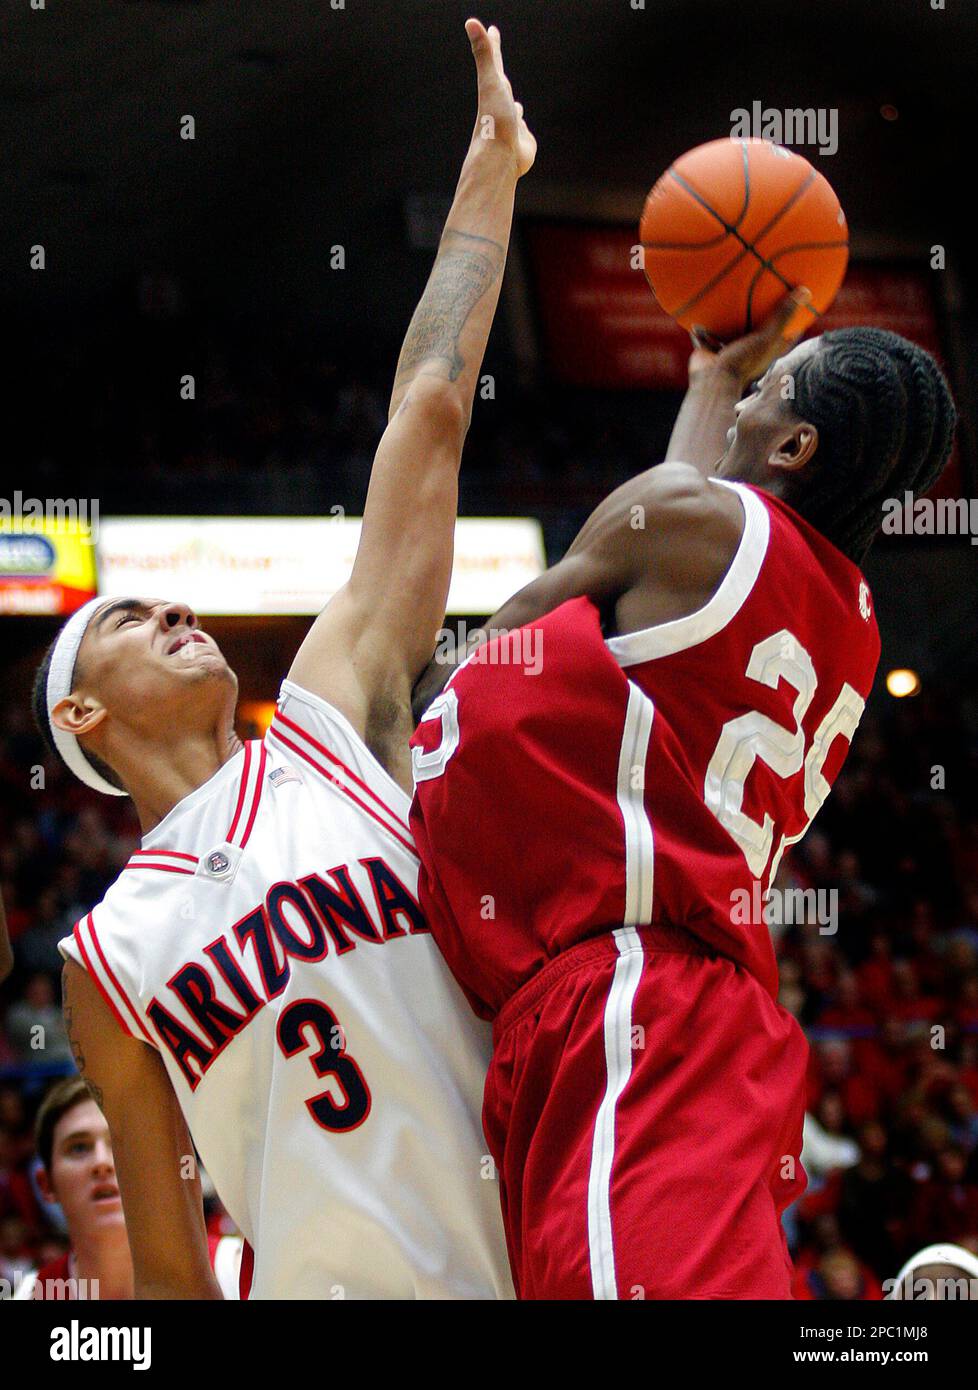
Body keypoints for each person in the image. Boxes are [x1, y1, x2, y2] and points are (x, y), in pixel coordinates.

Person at [38, 19, 534, 1298]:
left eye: (174, 603)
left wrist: (489, 178)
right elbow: (166, 1259)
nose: (174, 612)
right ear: (81, 710)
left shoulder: (325, 714)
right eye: (129, 616)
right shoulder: (108, 957)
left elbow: (425, 422)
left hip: (531, 1263)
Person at [409, 305, 956, 1299]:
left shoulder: (689, 523)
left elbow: (488, 650)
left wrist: (369, 716)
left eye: (764, 390)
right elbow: (679, 557)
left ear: (796, 443)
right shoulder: (853, 623)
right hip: (681, 996)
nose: (746, 400)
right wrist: (712, 383)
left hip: (628, 990)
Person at [13, 1076, 241, 1299]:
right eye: (79, 1148)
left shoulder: (234, 1270)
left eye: (120, 1142)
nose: (102, 1163)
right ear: (46, 1185)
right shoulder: (31, 1294)